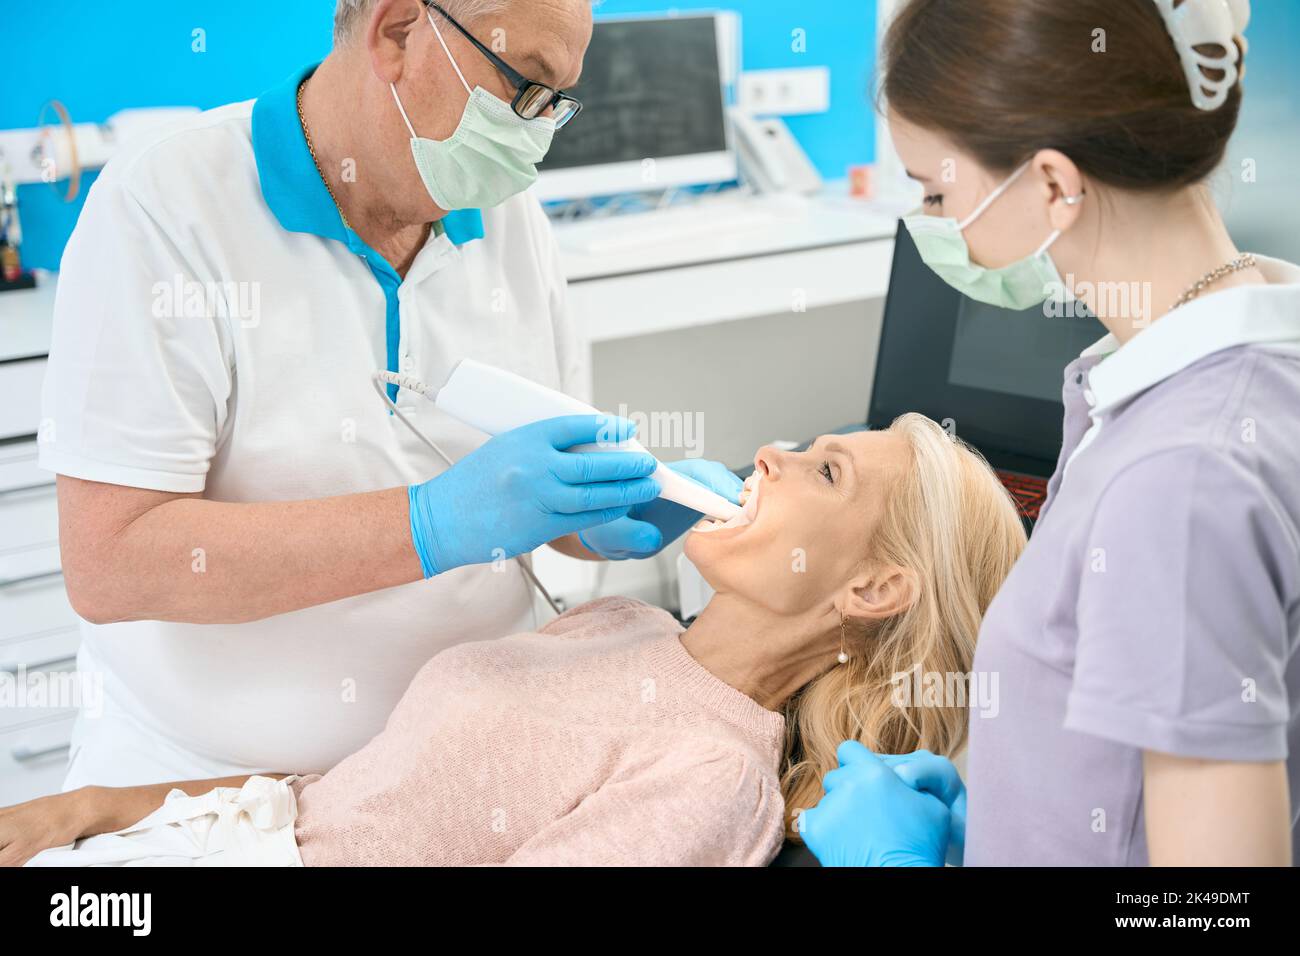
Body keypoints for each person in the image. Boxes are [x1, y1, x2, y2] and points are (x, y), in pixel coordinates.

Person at [38, 0, 739, 793]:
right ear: (399, 32)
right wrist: (429, 524)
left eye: (557, 103)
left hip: (479, 755)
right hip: (220, 782)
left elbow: (539, 482)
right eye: (523, 88)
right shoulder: (167, 206)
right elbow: (111, 564)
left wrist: (599, 516)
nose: (534, 142)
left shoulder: (507, 215)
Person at [3, 416, 1025, 867]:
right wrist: (95, 808)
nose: (772, 453)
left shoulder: (715, 775)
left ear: (874, 585)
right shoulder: (624, 619)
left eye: (826, 471)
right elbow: (364, 796)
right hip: (215, 833)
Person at [802, 0, 1299, 866]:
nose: (932, 225)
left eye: (936, 191)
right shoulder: (1214, 375)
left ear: (1053, 185)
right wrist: (1008, 814)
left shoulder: (1177, 479)